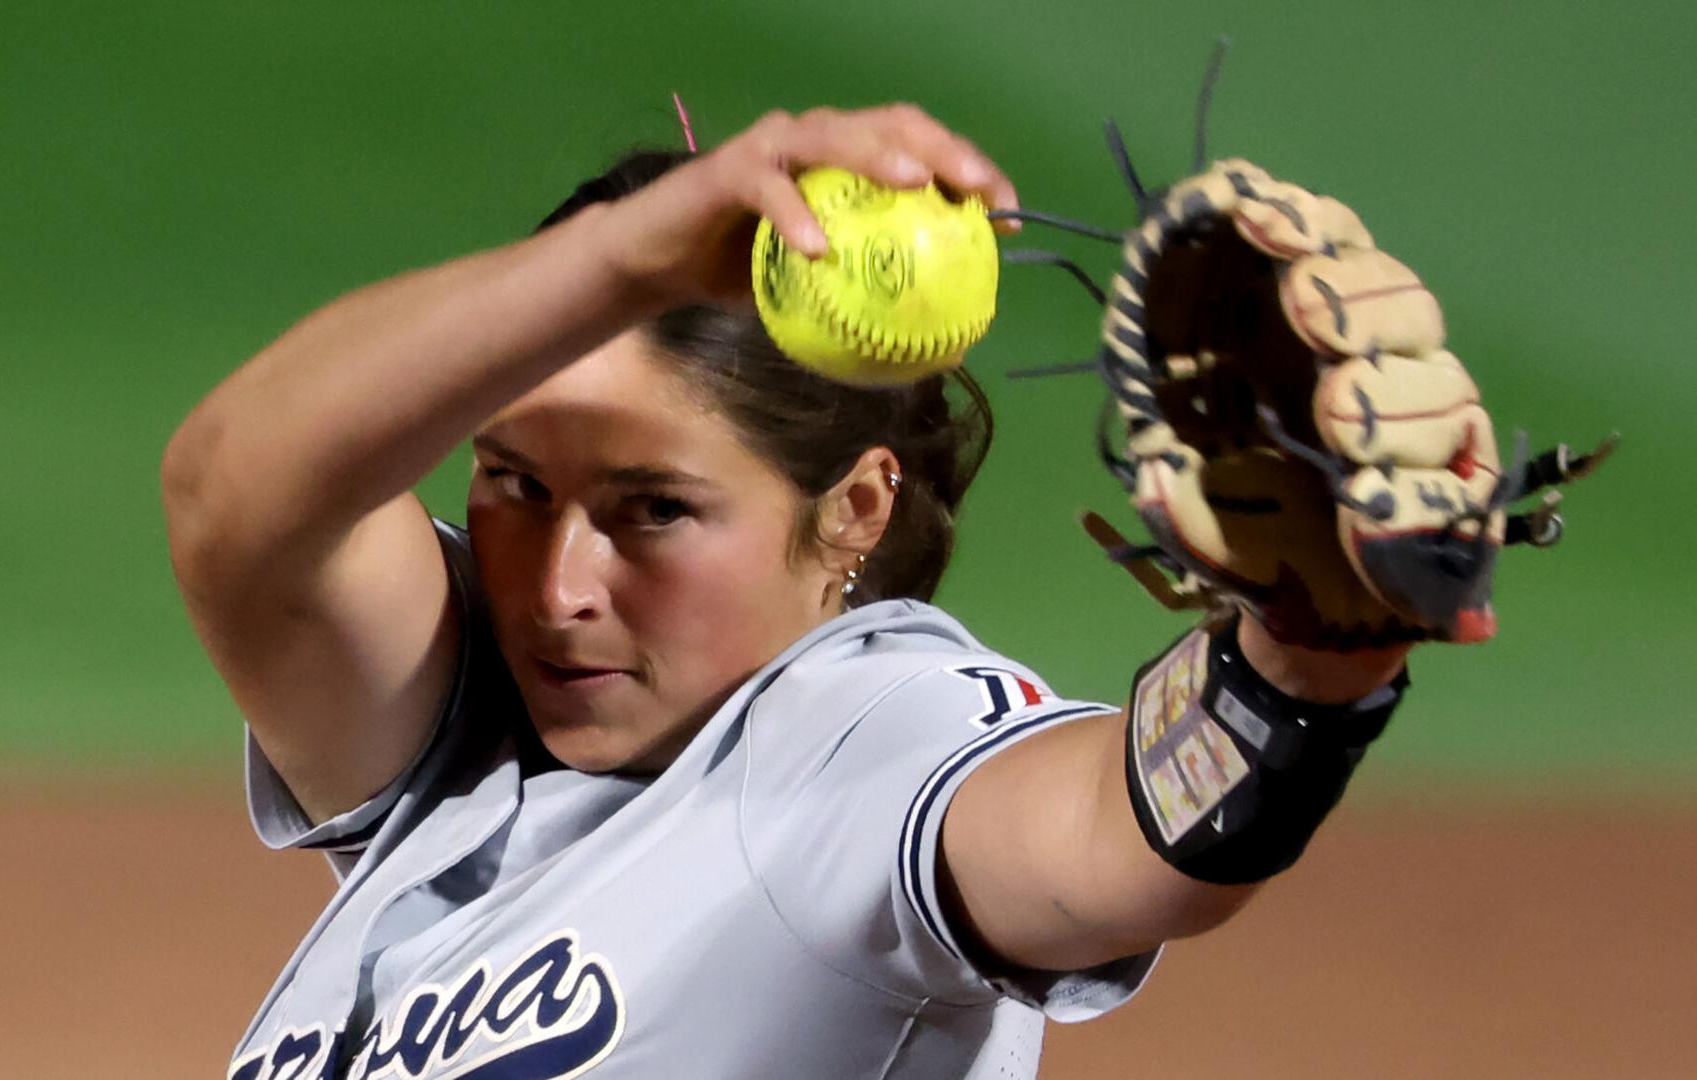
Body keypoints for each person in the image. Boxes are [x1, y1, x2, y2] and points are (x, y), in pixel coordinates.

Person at [162, 104, 1410, 1080]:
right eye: (514, 482)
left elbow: (1114, 843)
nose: (558, 587)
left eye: (654, 510)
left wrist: (1301, 661)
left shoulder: (862, 741)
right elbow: (235, 493)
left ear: (854, 510)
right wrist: (613, 263)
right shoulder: (462, 731)